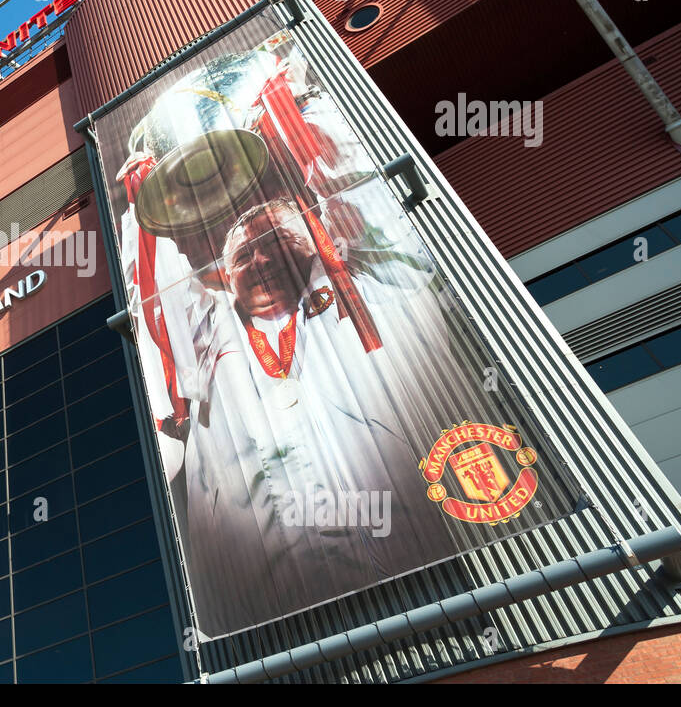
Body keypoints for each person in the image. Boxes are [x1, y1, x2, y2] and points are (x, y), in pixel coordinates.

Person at [129, 193, 482, 637]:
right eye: (242, 255)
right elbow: (153, 289)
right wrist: (140, 201)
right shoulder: (204, 352)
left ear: (315, 243)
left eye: (277, 240)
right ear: (223, 276)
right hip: (282, 619)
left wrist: (302, 130)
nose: (260, 259)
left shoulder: (364, 299)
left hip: (425, 578)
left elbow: (372, 217)